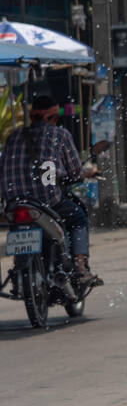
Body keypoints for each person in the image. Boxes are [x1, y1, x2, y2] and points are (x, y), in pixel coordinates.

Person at [0, 96, 102, 286]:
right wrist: (84, 173)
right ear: (50, 118)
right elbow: (74, 172)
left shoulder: (14, 137)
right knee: (78, 217)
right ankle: (80, 268)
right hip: (46, 201)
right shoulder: (60, 135)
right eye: (55, 118)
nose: (56, 122)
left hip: (14, 202)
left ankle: (21, 272)